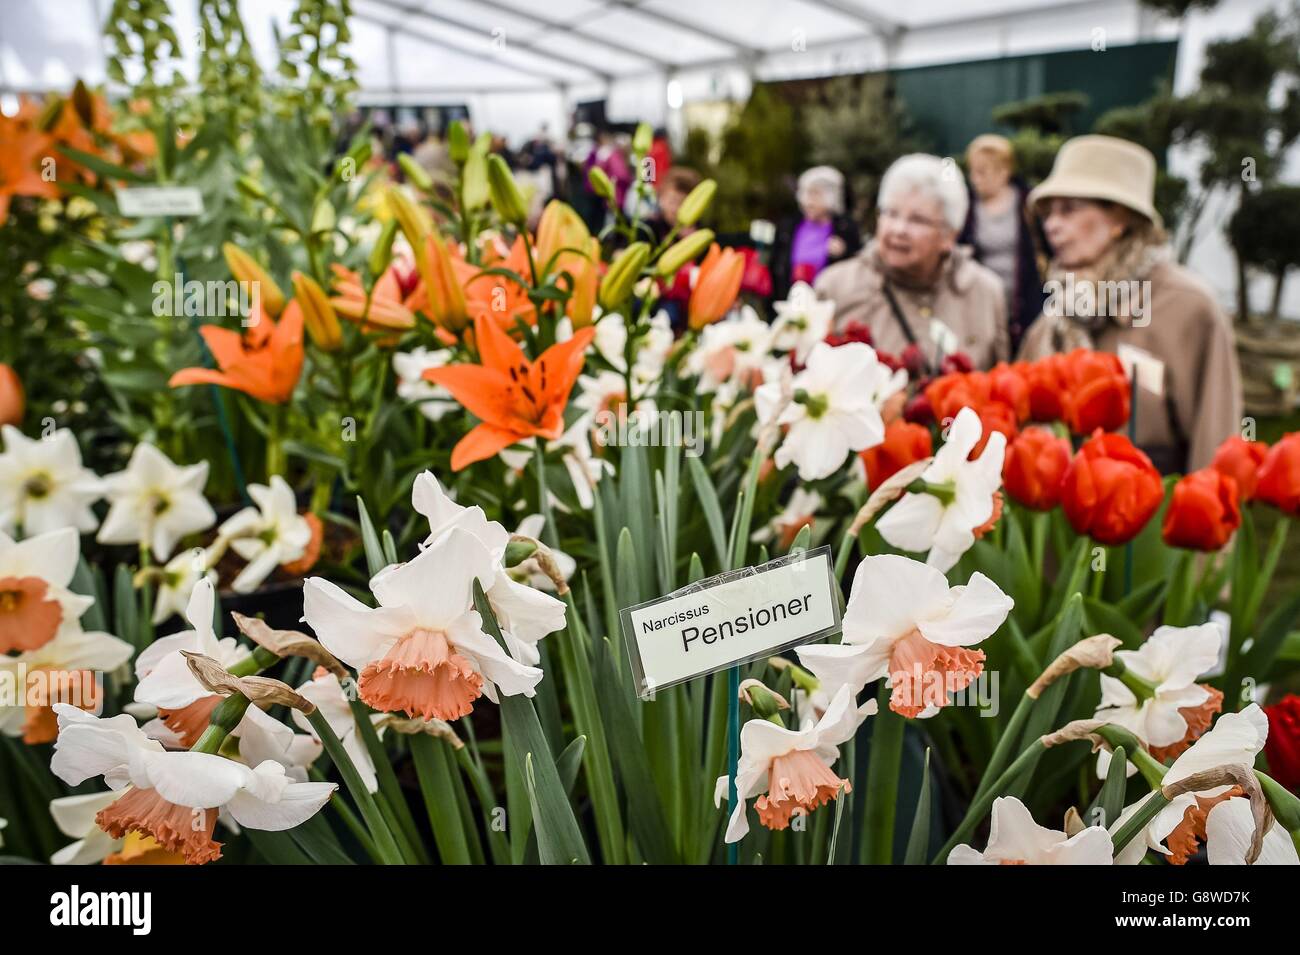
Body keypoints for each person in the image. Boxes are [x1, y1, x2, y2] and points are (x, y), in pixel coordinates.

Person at [1018, 135, 1242, 473]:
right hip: (1061, 515)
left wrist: (1204, 516)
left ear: (1120, 219)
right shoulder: (1057, 312)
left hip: (1152, 513)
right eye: (1048, 213)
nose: (1051, 225)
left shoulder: (1189, 307)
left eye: (1069, 209)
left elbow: (1216, 436)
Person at [815, 154, 1008, 371]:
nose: (898, 229)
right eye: (891, 213)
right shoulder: (835, 286)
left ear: (949, 236)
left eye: (917, 219)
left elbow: (998, 384)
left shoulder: (985, 292)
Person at [958, 134, 1045, 353]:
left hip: (1025, 296)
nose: (975, 178)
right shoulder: (965, 205)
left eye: (982, 172)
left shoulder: (1028, 203)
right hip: (981, 300)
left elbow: (1049, 246)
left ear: (1004, 172)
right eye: (972, 171)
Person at [770, 167, 861, 301]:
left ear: (831, 197)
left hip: (828, 303)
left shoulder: (845, 228)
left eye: (815, 194)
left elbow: (857, 268)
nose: (808, 200)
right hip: (790, 301)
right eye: (806, 193)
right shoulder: (788, 226)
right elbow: (775, 265)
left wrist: (843, 252)